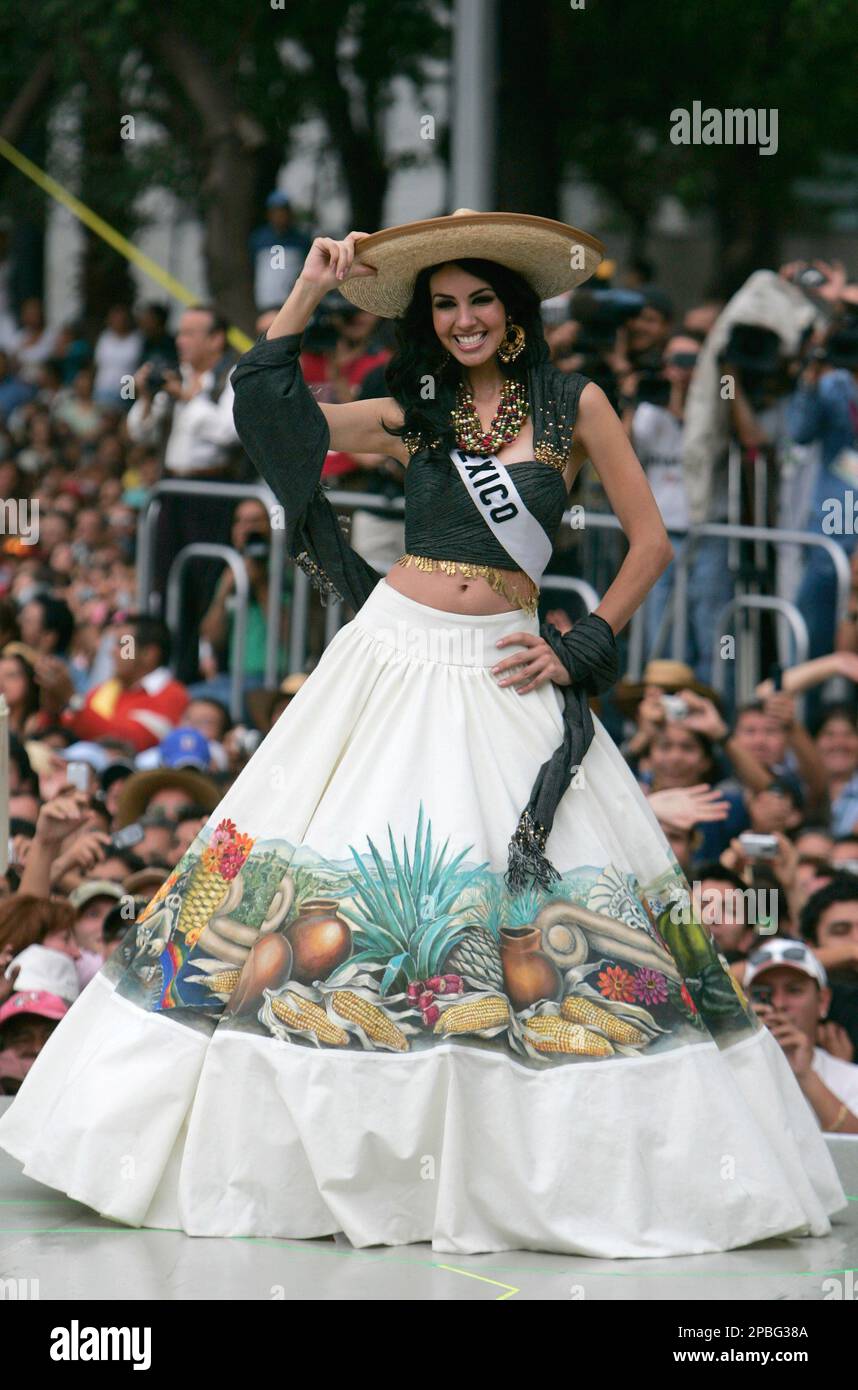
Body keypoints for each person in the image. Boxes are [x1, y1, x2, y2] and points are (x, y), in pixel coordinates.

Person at [0, 210, 845, 1259]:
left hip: (503, 662)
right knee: (322, 885)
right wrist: (305, 295)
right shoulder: (419, 404)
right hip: (389, 658)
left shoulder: (573, 402)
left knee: (516, 909)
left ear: (515, 307)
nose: (463, 320)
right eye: (443, 305)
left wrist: (582, 640)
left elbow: (653, 539)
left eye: (480, 300)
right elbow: (277, 421)